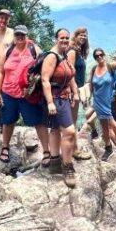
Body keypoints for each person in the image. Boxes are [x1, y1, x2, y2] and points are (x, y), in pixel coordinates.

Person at [0, 25, 49, 164]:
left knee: (38, 121)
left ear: (26, 35)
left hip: (28, 95)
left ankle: (47, 151)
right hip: (8, 93)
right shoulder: (8, 51)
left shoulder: (34, 49)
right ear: (14, 36)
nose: (20, 37)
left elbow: (45, 67)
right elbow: (0, 71)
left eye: (22, 35)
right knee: (7, 121)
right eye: (17, 34)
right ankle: (5, 147)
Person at [42, 28, 79, 188]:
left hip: (63, 96)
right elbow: (45, 80)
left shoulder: (63, 55)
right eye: (62, 38)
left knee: (56, 129)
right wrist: (50, 102)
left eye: (67, 38)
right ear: (56, 39)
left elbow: (69, 76)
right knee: (70, 132)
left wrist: (74, 92)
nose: (64, 40)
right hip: (56, 98)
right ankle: (67, 165)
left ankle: (55, 162)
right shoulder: (52, 56)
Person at [88, 48, 116, 170]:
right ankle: (108, 148)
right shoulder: (93, 69)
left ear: (104, 55)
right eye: (97, 56)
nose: (99, 57)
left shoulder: (110, 66)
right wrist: (89, 98)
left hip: (109, 102)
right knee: (105, 128)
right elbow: (92, 84)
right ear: (95, 58)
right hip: (98, 102)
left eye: (101, 55)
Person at [66, 27, 92, 160]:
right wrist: (74, 91)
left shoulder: (80, 51)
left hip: (77, 89)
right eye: (80, 35)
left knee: (72, 120)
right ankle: (74, 150)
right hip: (72, 90)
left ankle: (70, 148)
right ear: (75, 36)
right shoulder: (72, 51)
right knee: (72, 121)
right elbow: (70, 72)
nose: (83, 37)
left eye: (85, 35)